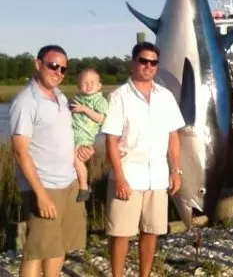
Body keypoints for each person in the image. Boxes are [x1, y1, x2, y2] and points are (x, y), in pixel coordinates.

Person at [9, 45, 94, 277]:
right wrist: (41, 195)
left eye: (63, 68)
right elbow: (20, 153)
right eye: (53, 65)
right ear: (38, 64)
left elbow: (65, 137)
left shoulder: (60, 96)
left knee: (59, 247)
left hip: (68, 182)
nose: (58, 72)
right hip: (44, 186)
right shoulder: (26, 102)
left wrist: (82, 152)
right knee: (37, 251)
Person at [101, 41, 185, 277]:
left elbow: (173, 135)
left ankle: (144, 275)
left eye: (153, 62)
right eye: (143, 61)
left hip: (157, 176)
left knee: (151, 231)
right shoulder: (119, 97)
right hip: (128, 175)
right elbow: (111, 140)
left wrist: (175, 170)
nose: (148, 66)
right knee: (120, 233)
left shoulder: (166, 96)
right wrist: (119, 178)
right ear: (133, 62)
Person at [70, 68, 108, 201]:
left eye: (92, 82)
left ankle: (84, 187)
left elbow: (101, 118)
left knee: (77, 159)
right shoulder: (78, 98)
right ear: (79, 86)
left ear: (99, 86)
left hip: (84, 135)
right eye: (85, 82)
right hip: (72, 133)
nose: (89, 85)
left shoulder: (99, 100)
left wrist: (85, 109)